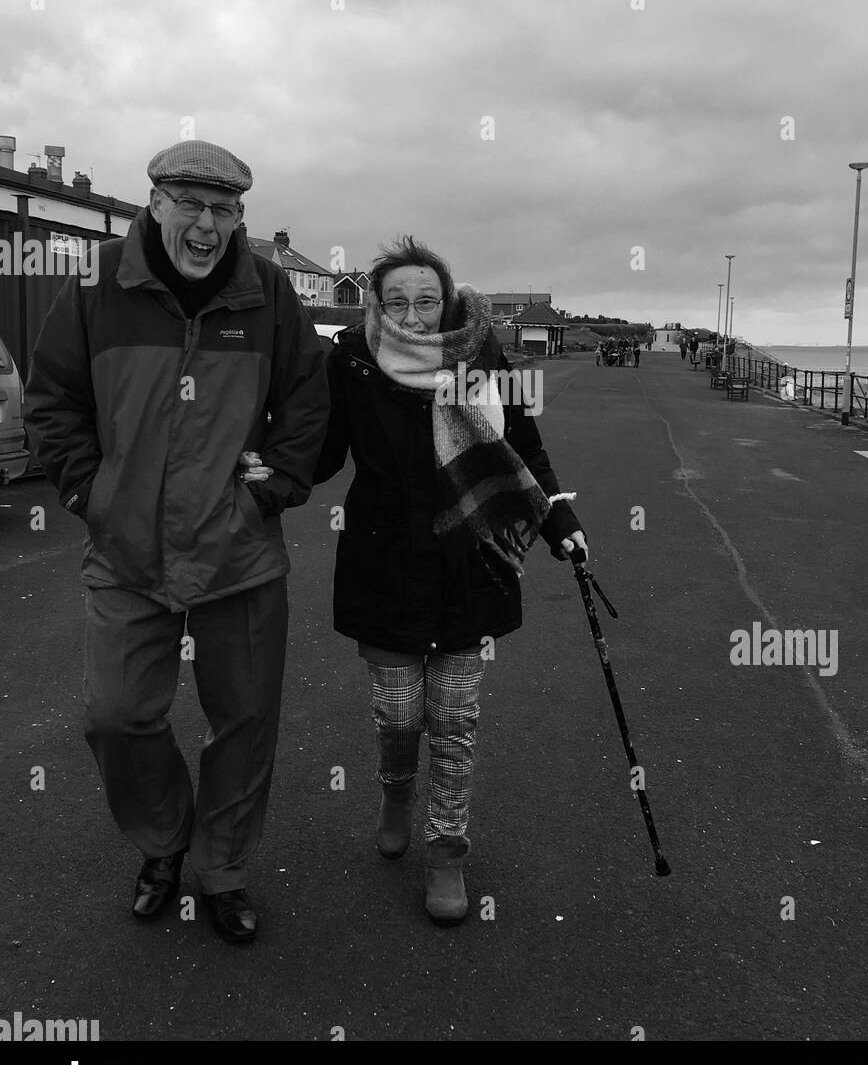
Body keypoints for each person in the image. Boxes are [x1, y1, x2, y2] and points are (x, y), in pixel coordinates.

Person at [24, 140, 329, 945]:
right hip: (128, 552)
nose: (206, 223)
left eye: (224, 209)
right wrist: (93, 493)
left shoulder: (267, 291)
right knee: (117, 717)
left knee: (245, 721)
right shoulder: (96, 286)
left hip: (241, 553)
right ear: (152, 202)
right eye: (189, 203)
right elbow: (51, 397)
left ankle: (223, 869)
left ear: (240, 218)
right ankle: (163, 843)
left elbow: (308, 398)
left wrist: (274, 489)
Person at [313, 237, 587, 925]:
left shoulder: (485, 358)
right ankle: (396, 794)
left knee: (456, 720)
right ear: (377, 305)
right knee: (400, 716)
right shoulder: (350, 362)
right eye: (397, 300)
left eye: (426, 299)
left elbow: (523, 447)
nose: (413, 312)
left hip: (472, 559)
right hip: (383, 562)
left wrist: (560, 519)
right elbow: (319, 452)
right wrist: (263, 461)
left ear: (447, 301)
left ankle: (447, 854)